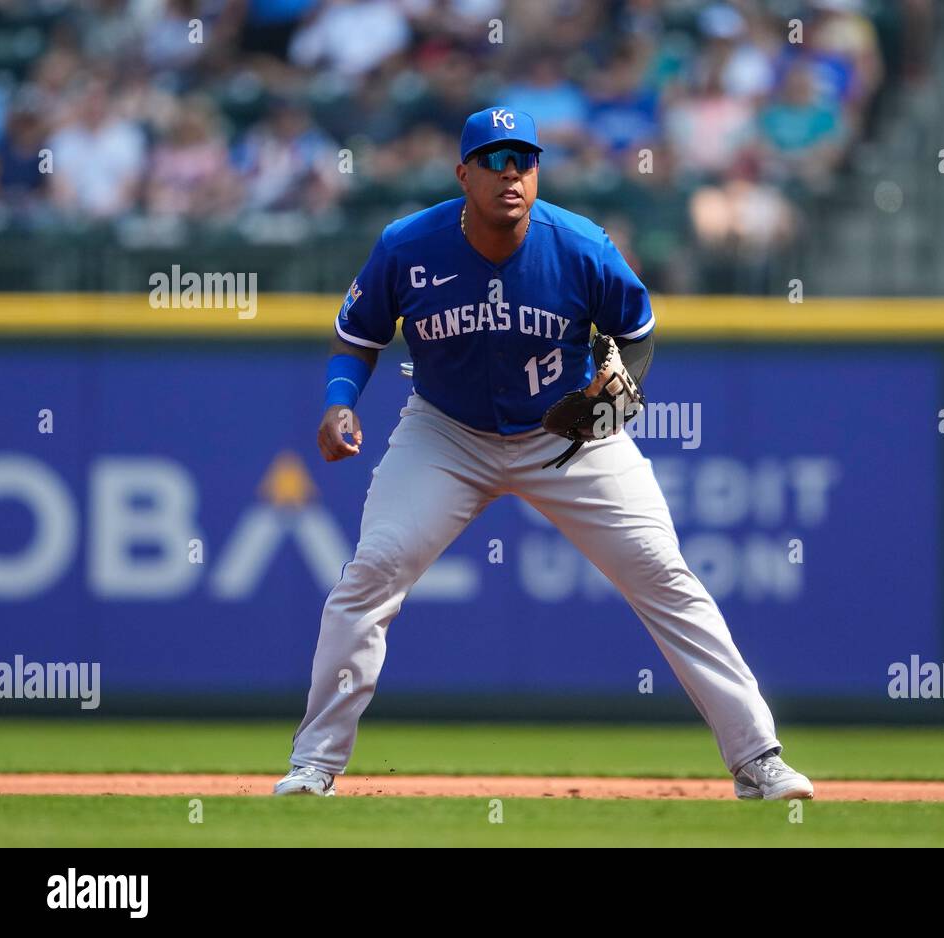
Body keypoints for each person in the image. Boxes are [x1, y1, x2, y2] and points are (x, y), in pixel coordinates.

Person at [273, 106, 814, 801]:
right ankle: (315, 764)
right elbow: (358, 334)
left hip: (566, 435)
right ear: (462, 172)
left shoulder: (580, 244)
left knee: (662, 572)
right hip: (445, 432)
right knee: (373, 570)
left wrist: (625, 380)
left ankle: (758, 758)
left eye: (523, 160)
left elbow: (638, 330)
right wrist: (340, 400)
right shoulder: (409, 244)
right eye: (494, 159)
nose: (510, 173)